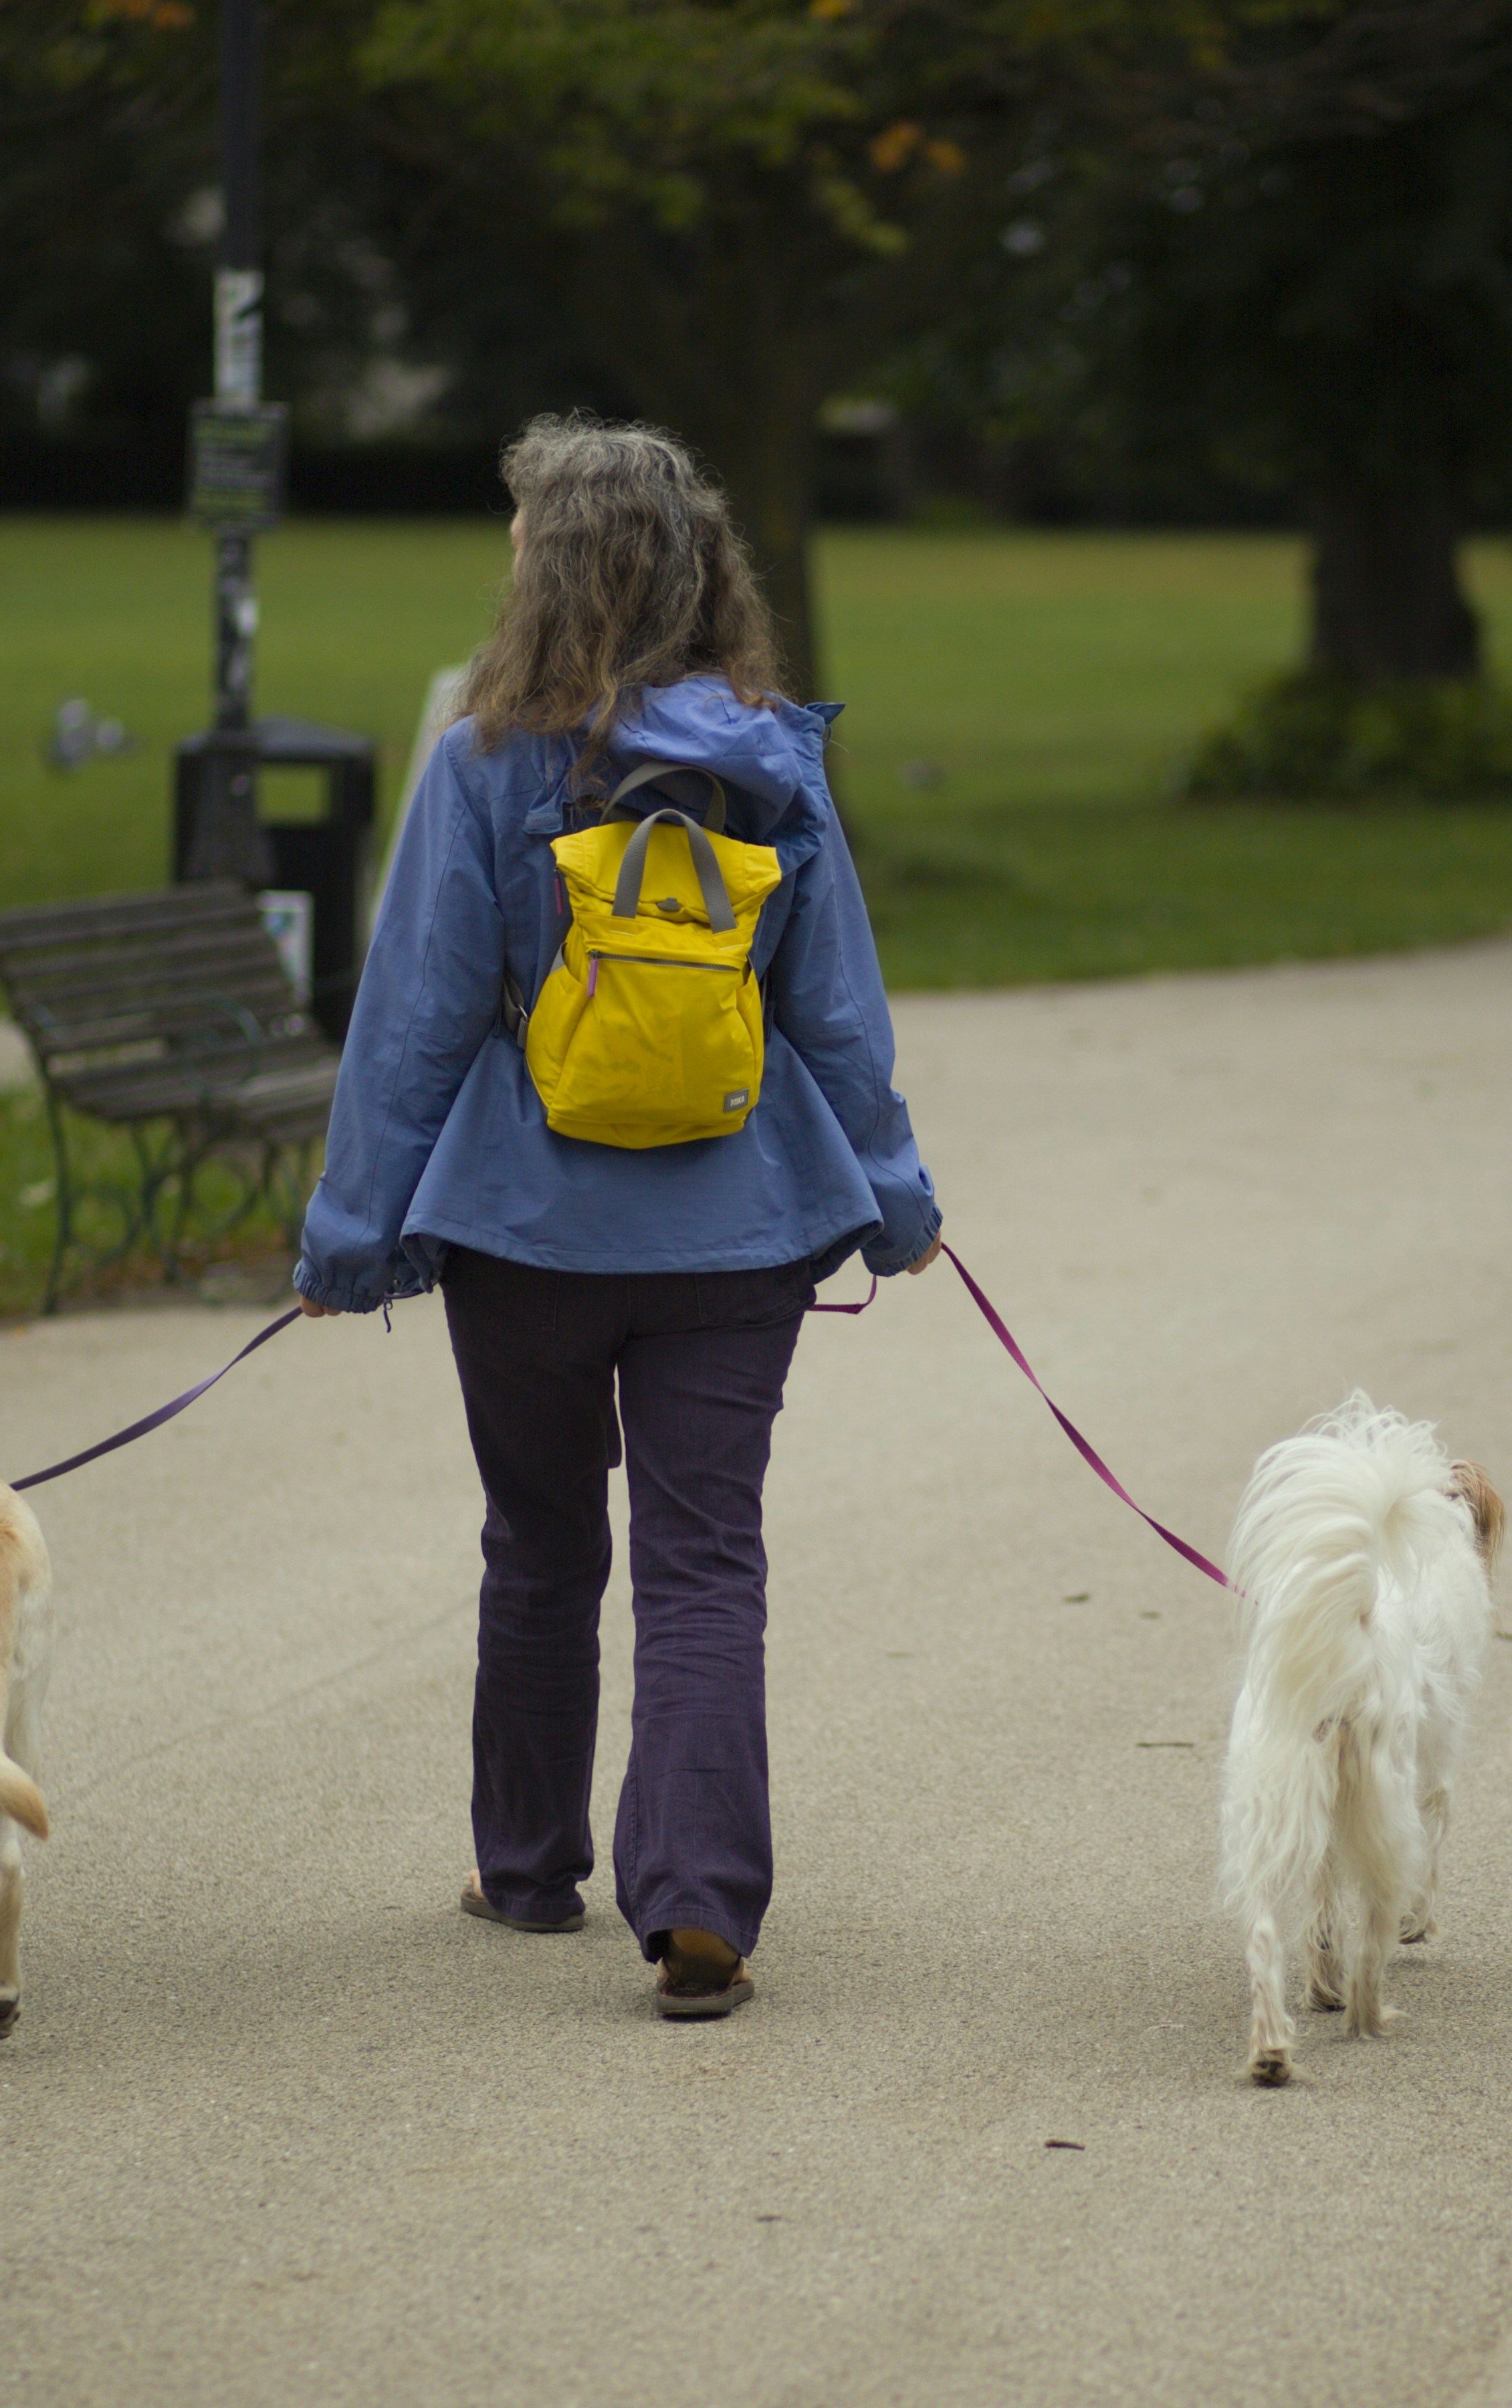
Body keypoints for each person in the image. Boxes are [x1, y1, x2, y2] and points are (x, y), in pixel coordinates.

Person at [294, 414, 941, 2020]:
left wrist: (352, 1231)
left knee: (540, 1544)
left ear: (554, 580)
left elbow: (421, 1017)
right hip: (739, 1231)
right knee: (706, 1560)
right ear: (700, 575)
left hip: (525, 1232)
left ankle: (527, 1870)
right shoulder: (772, 757)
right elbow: (838, 1014)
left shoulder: (486, 762)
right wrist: (897, 1197)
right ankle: (703, 1902)